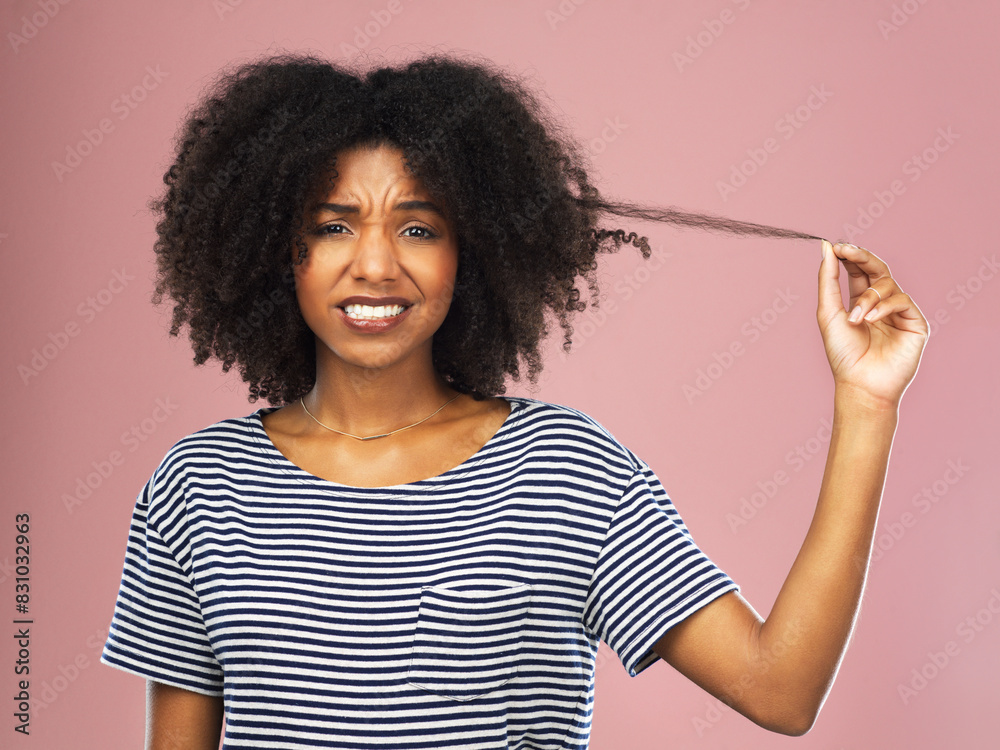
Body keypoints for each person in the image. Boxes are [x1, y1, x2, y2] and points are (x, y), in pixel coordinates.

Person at [101, 52, 928, 749]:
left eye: (419, 228)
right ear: (282, 252)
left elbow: (777, 690)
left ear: (476, 252)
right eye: (335, 225)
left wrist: (867, 404)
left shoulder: (566, 469)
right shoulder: (199, 485)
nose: (378, 265)